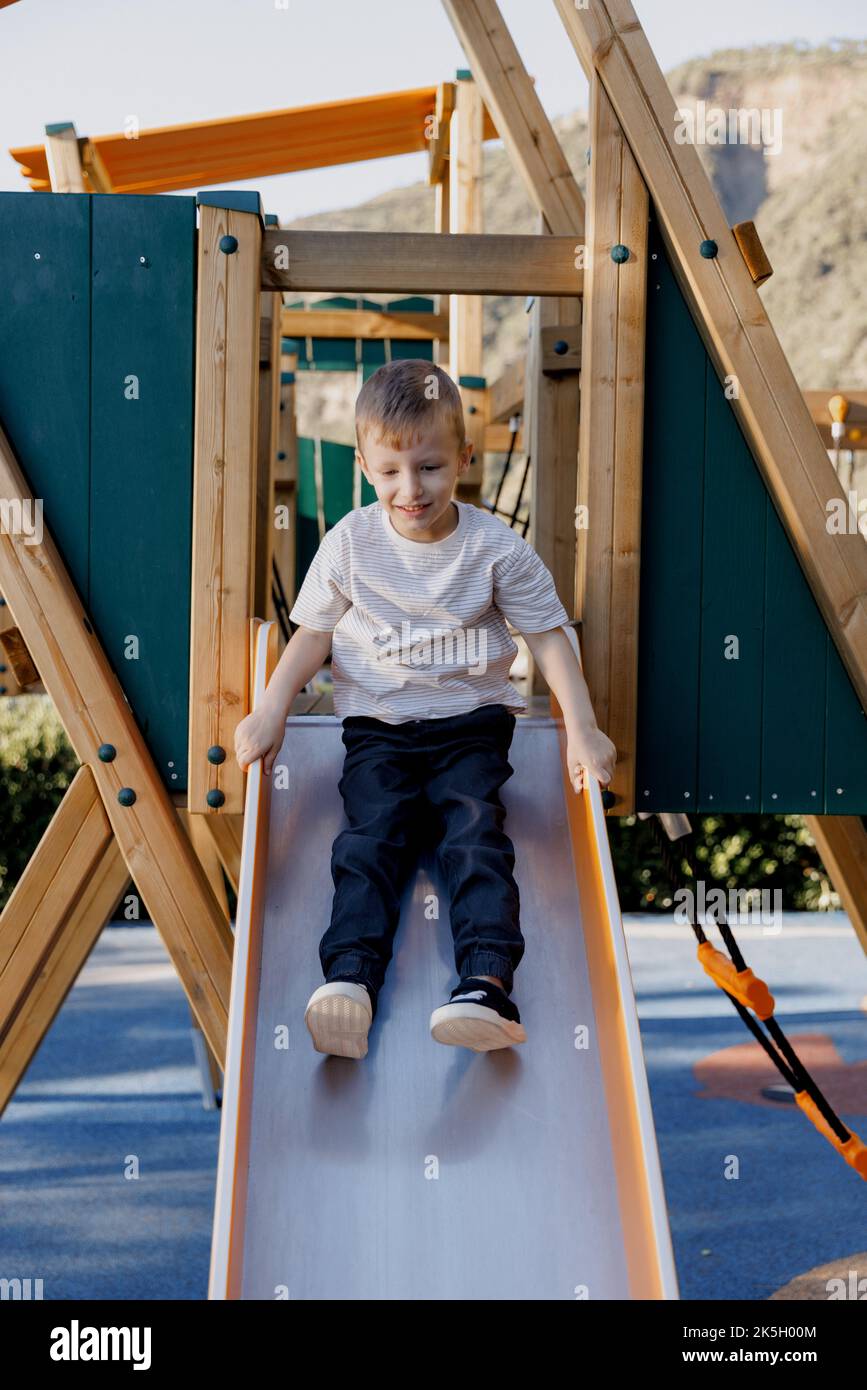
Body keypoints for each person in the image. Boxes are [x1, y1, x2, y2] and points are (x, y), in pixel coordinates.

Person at [234, 359, 615, 1060]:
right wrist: (270, 711)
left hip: (470, 726)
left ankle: (485, 985)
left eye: (432, 468)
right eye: (390, 473)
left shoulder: (496, 549)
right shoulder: (350, 543)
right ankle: (349, 982)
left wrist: (582, 729)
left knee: (473, 836)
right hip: (376, 728)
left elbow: (547, 639)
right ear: (365, 467)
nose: (411, 490)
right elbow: (311, 635)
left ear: (464, 459)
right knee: (367, 840)